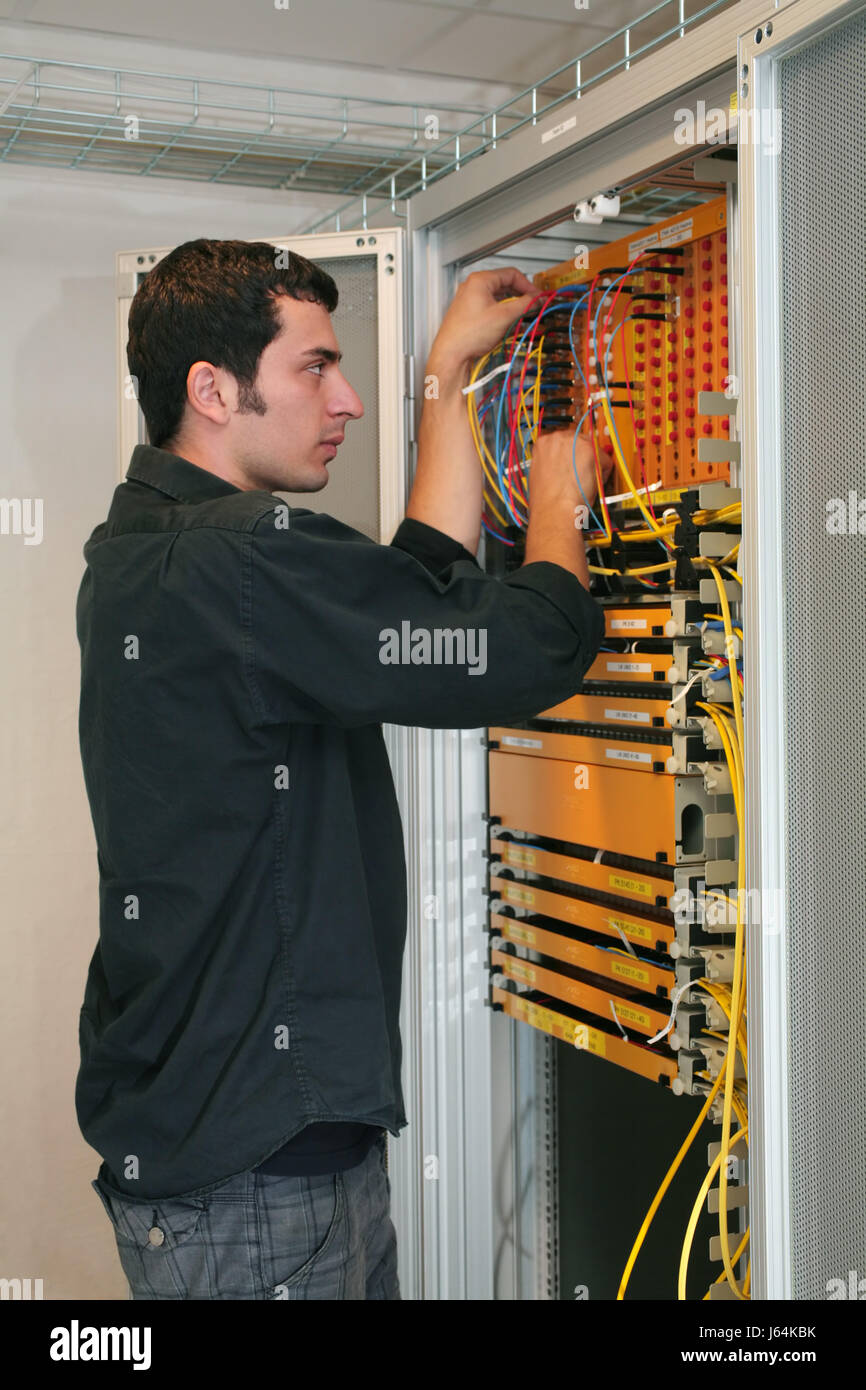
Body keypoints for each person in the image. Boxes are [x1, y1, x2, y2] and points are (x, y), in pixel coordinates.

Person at [75, 238, 608, 1300]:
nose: (346, 398)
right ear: (212, 390)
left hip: (227, 1152)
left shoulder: (141, 550)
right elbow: (516, 647)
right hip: (258, 1178)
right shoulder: (240, 556)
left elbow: (411, 593)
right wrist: (561, 503)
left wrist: (445, 376)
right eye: (314, 367)